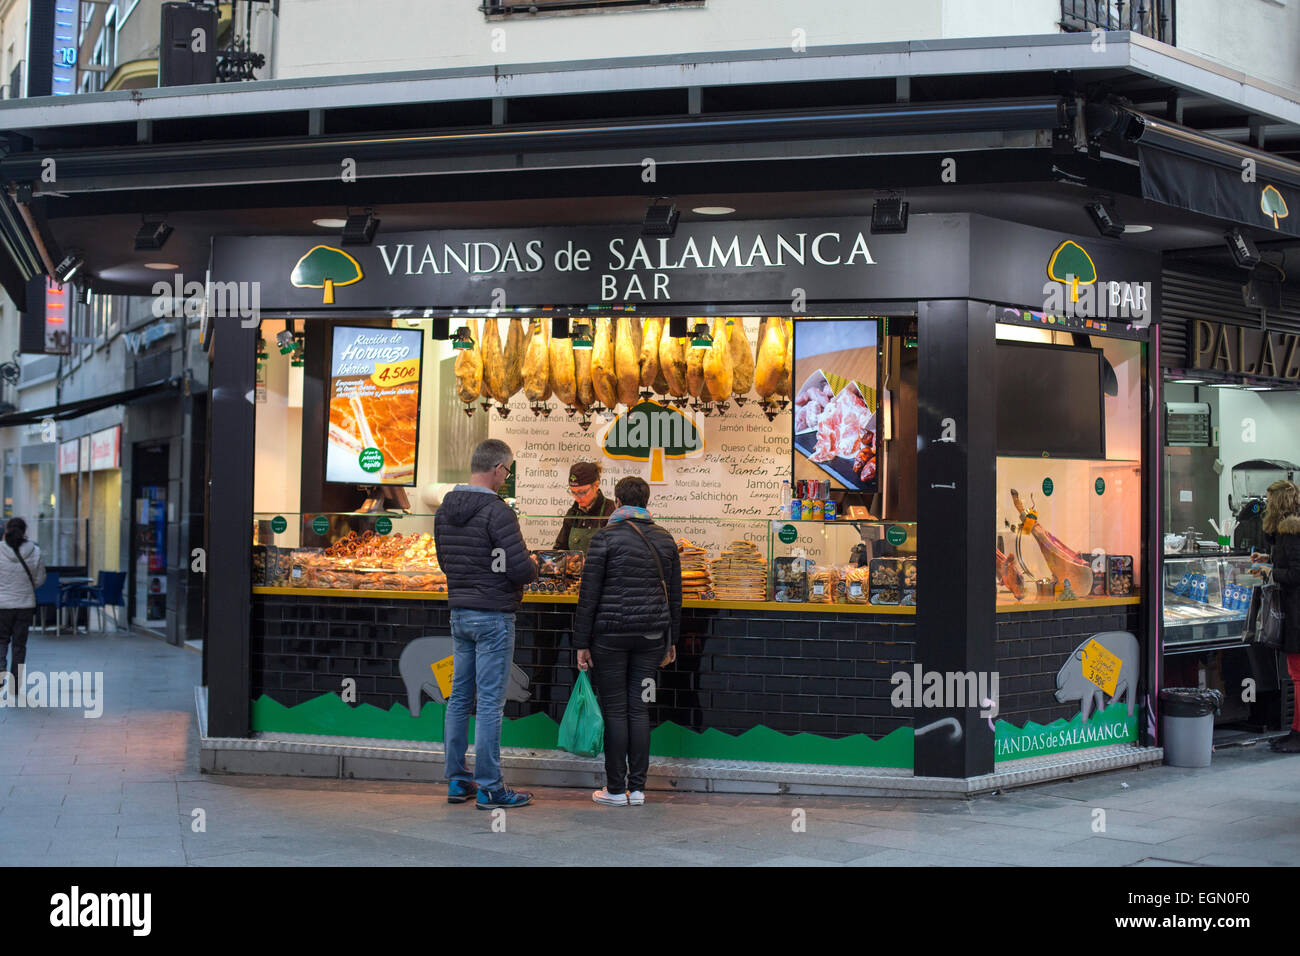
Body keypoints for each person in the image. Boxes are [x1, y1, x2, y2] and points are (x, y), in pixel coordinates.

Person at [434, 439, 539, 808]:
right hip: (493, 616)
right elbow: (519, 568)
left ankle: (457, 781)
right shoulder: (498, 512)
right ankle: (491, 787)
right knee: (491, 703)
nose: (505, 479)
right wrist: (536, 565)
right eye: (506, 472)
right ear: (498, 469)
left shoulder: (445, 509)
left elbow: (445, 562)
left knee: (459, 697)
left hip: (459, 613)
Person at [573, 476, 681, 806]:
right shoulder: (665, 539)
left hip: (610, 638)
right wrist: (671, 639)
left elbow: (587, 596)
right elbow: (674, 598)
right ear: (647, 503)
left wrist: (581, 642)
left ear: (617, 502)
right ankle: (638, 789)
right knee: (640, 709)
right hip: (650, 639)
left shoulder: (604, 538)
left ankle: (615, 790)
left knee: (616, 711)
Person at [1260, 479, 1300, 753]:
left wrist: (1270, 573)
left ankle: (1298, 733)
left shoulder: (1291, 532)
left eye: (1267, 500)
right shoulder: (1289, 532)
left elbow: (1297, 573)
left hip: (1297, 614)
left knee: (1297, 674)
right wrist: (1268, 560)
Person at [0, 517, 46, 690]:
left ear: (7, 530)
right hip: (25, 605)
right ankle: (15, 684)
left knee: (1, 640)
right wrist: (27, 587)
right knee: (19, 645)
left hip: (2, 605)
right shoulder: (35, 551)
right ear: (24, 531)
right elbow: (40, 578)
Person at [553, 461, 615, 553]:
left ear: (596, 485)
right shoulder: (573, 513)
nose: (577, 498)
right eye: (573, 492)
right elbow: (560, 548)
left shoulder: (611, 511)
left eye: (582, 492)